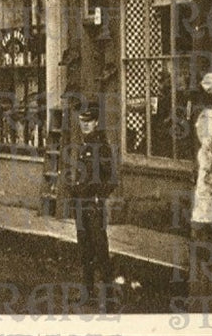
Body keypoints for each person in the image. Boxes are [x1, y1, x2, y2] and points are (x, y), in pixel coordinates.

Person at [69, 101, 118, 303]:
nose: (85, 125)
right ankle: (88, 292)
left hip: (93, 205)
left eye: (88, 122)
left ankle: (108, 295)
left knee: (99, 248)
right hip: (81, 203)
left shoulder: (101, 146)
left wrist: (100, 196)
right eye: (82, 121)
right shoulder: (85, 145)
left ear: (96, 122)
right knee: (84, 248)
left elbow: (112, 178)